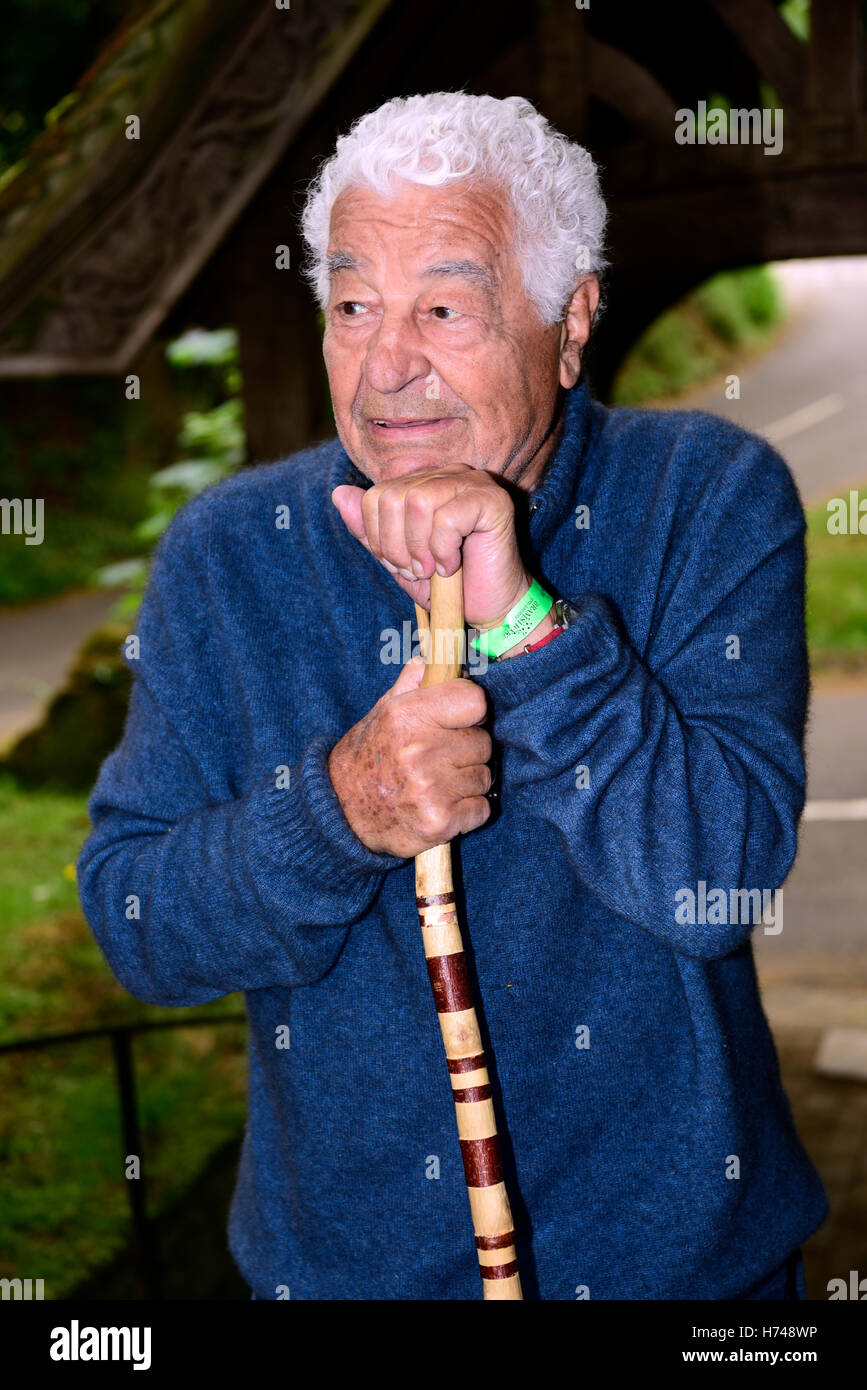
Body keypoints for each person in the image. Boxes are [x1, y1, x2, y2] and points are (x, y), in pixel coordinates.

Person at [77, 92, 827, 1300]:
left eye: (441, 305)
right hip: (342, 1278)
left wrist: (526, 628)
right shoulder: (231, 554)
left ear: (569, 322)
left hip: (688, 1280)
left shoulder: (704, 497)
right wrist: (341, 810)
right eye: (354, 304)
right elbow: (136, 920)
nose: (387, 363)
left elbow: (710, 880)